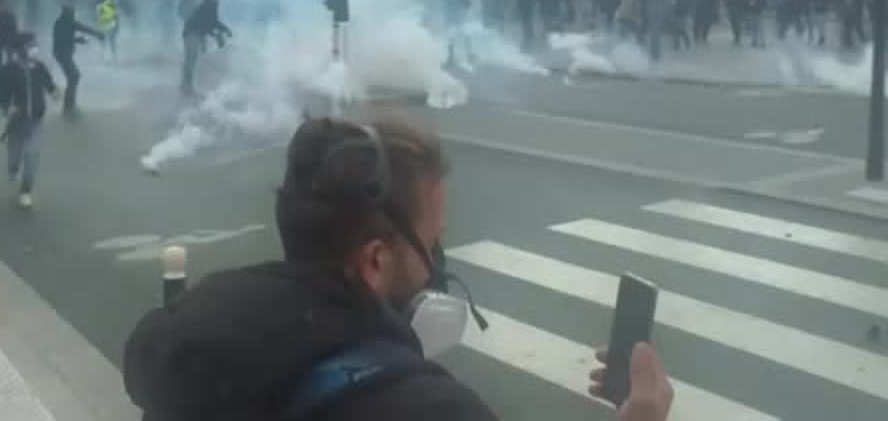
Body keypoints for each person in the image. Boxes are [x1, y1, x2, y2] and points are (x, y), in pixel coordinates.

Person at [123, 117, 674, 421]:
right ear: (376, 260)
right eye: (431, 245)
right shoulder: (426, 411)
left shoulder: (195, 358)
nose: (437, 265)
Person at [0, 33, 59, 209]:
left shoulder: (39, 67)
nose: (35, 48)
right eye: (31, 45)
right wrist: (7, 107)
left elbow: (49, 84)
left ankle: (26, 191)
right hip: (16, 122)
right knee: (14, 158)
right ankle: (13, 171)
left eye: (35, 44)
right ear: (21, 49)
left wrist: (54, 92)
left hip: (36, 121)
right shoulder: (8, 70)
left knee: (31, 155)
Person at [52, 5, 103, 119]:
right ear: (68, 14)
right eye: (73, 13)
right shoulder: (60, 23)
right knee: (74, 76)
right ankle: (68, 108)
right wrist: (78, 40)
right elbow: (62, 39)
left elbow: (82, 27)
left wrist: (96, 33)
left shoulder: (67, 21)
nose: (74, 15)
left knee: (73, 77)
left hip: (64, 54)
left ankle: (70, 106)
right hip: (61, 54)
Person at [180, 0, 231, 96]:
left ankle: (187, 84)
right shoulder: (205, 7)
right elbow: (206, 24)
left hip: (196, 34)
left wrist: (225, 29)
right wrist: (216, 35)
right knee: (191, 60)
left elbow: (214, 22)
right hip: (191, 34)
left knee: (192, 60)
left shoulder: (212, 7)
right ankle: (186, 85)